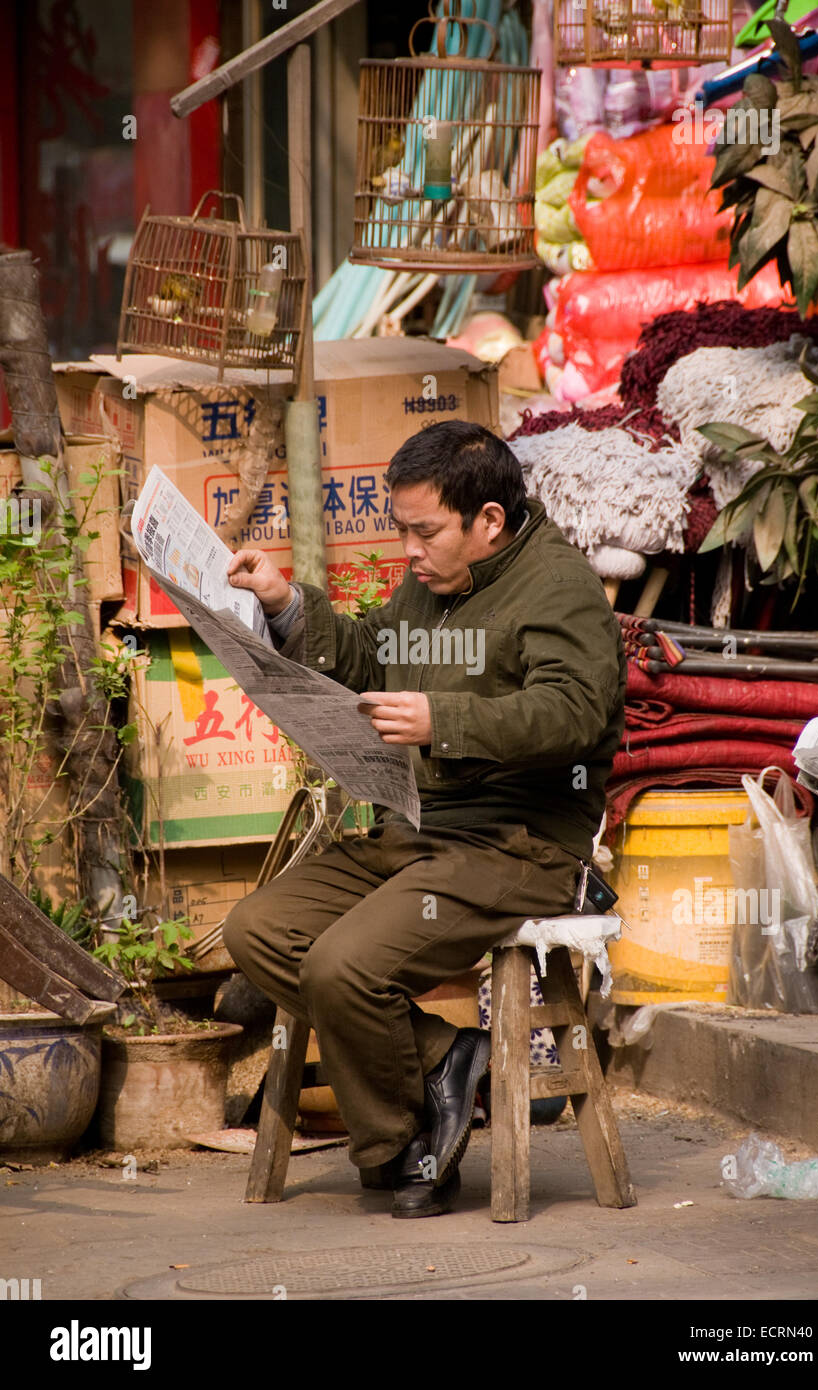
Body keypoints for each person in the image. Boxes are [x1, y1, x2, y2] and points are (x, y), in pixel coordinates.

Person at [222, 419, 626, 1217]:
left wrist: (445, 720)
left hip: (519, 844)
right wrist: (284, 603)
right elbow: (372, 652)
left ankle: (403, 1145)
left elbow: (579, 712)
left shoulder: (557, 585)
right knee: (258, 929)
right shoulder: (432, 582)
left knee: (344, 965)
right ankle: (443, 1062)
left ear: (488, 522)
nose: (409, 549)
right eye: (400, 530)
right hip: (418, 830)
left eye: (424, 531)